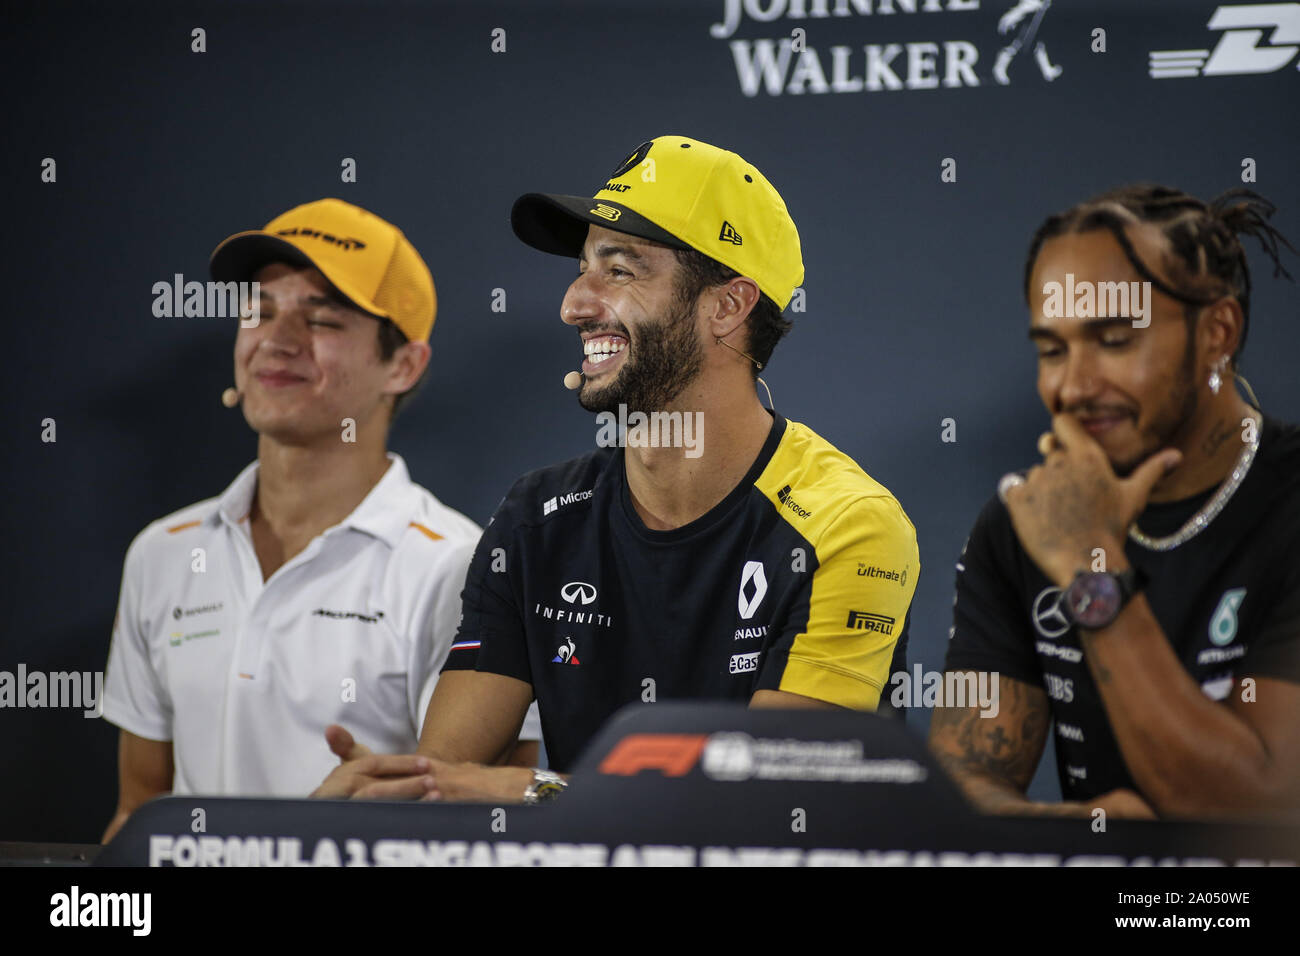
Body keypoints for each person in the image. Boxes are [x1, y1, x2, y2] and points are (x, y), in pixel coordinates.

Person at [313, 135, 920, 805]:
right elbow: (447, 774)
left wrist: (527, 791)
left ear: (728, 306)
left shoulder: (847, 524)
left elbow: (765, 806)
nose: (575, 302)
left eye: (619, 270)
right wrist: (391, 794)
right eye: (581, 268)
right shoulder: (534, 517)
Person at [102, 197, 538, 840]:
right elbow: (138, 812)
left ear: (403, 364)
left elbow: (487, 823)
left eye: (324, 319)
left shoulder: (458, 566)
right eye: (260, 312)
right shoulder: (162, 552)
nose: (276, 341)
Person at [929, 185, 1300, 819]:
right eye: (1052, 350)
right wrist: (1074, 835)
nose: (1072, 386)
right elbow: (964, 779)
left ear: (1217, 332)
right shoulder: (1025, 522)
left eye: (1115, 341)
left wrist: (1091, 564)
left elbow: (1263, 809)